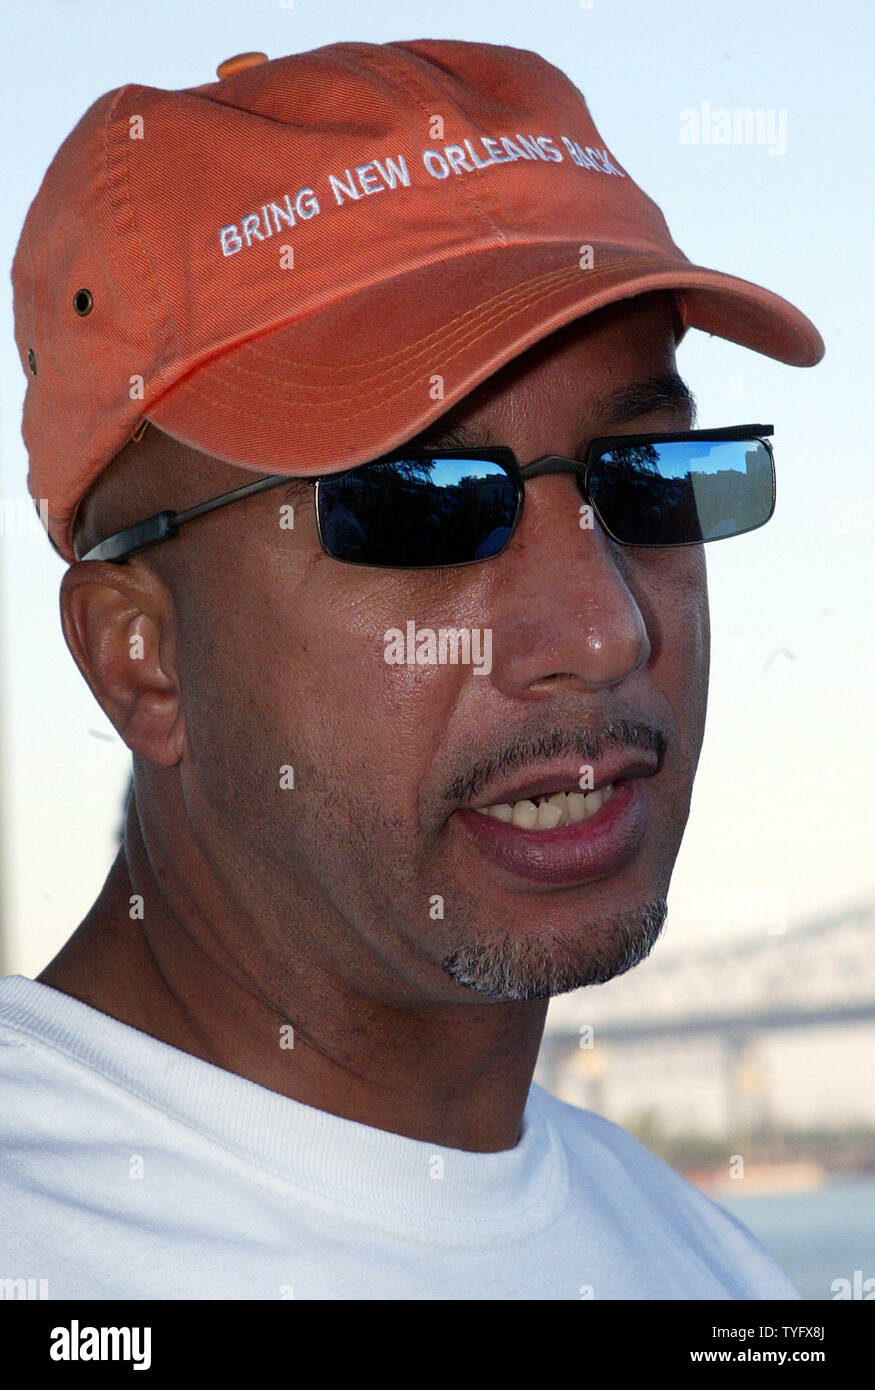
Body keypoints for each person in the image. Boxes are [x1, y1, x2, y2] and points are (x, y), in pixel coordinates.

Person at [2, 38, 823, 1300]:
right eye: (422, 507)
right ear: (140, 657)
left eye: (647, 480)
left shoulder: (722, 1281)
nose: (603, 631)